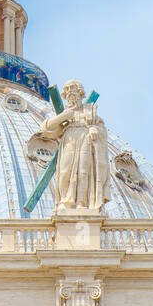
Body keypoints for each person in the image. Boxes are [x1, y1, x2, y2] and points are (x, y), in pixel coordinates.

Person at [39, 79, 109, 210]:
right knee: (65, 171)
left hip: (85, 140)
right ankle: (66, 201)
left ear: (80, 92)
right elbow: (46, 129)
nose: (71, 92)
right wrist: (64, 116)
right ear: (64, 94)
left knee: (84, 171)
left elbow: (100, 127)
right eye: (68, 89)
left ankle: (81, 202)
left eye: (73, 88)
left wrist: (94, 129)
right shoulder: (63, 111)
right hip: (69, 140)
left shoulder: (90, 110)